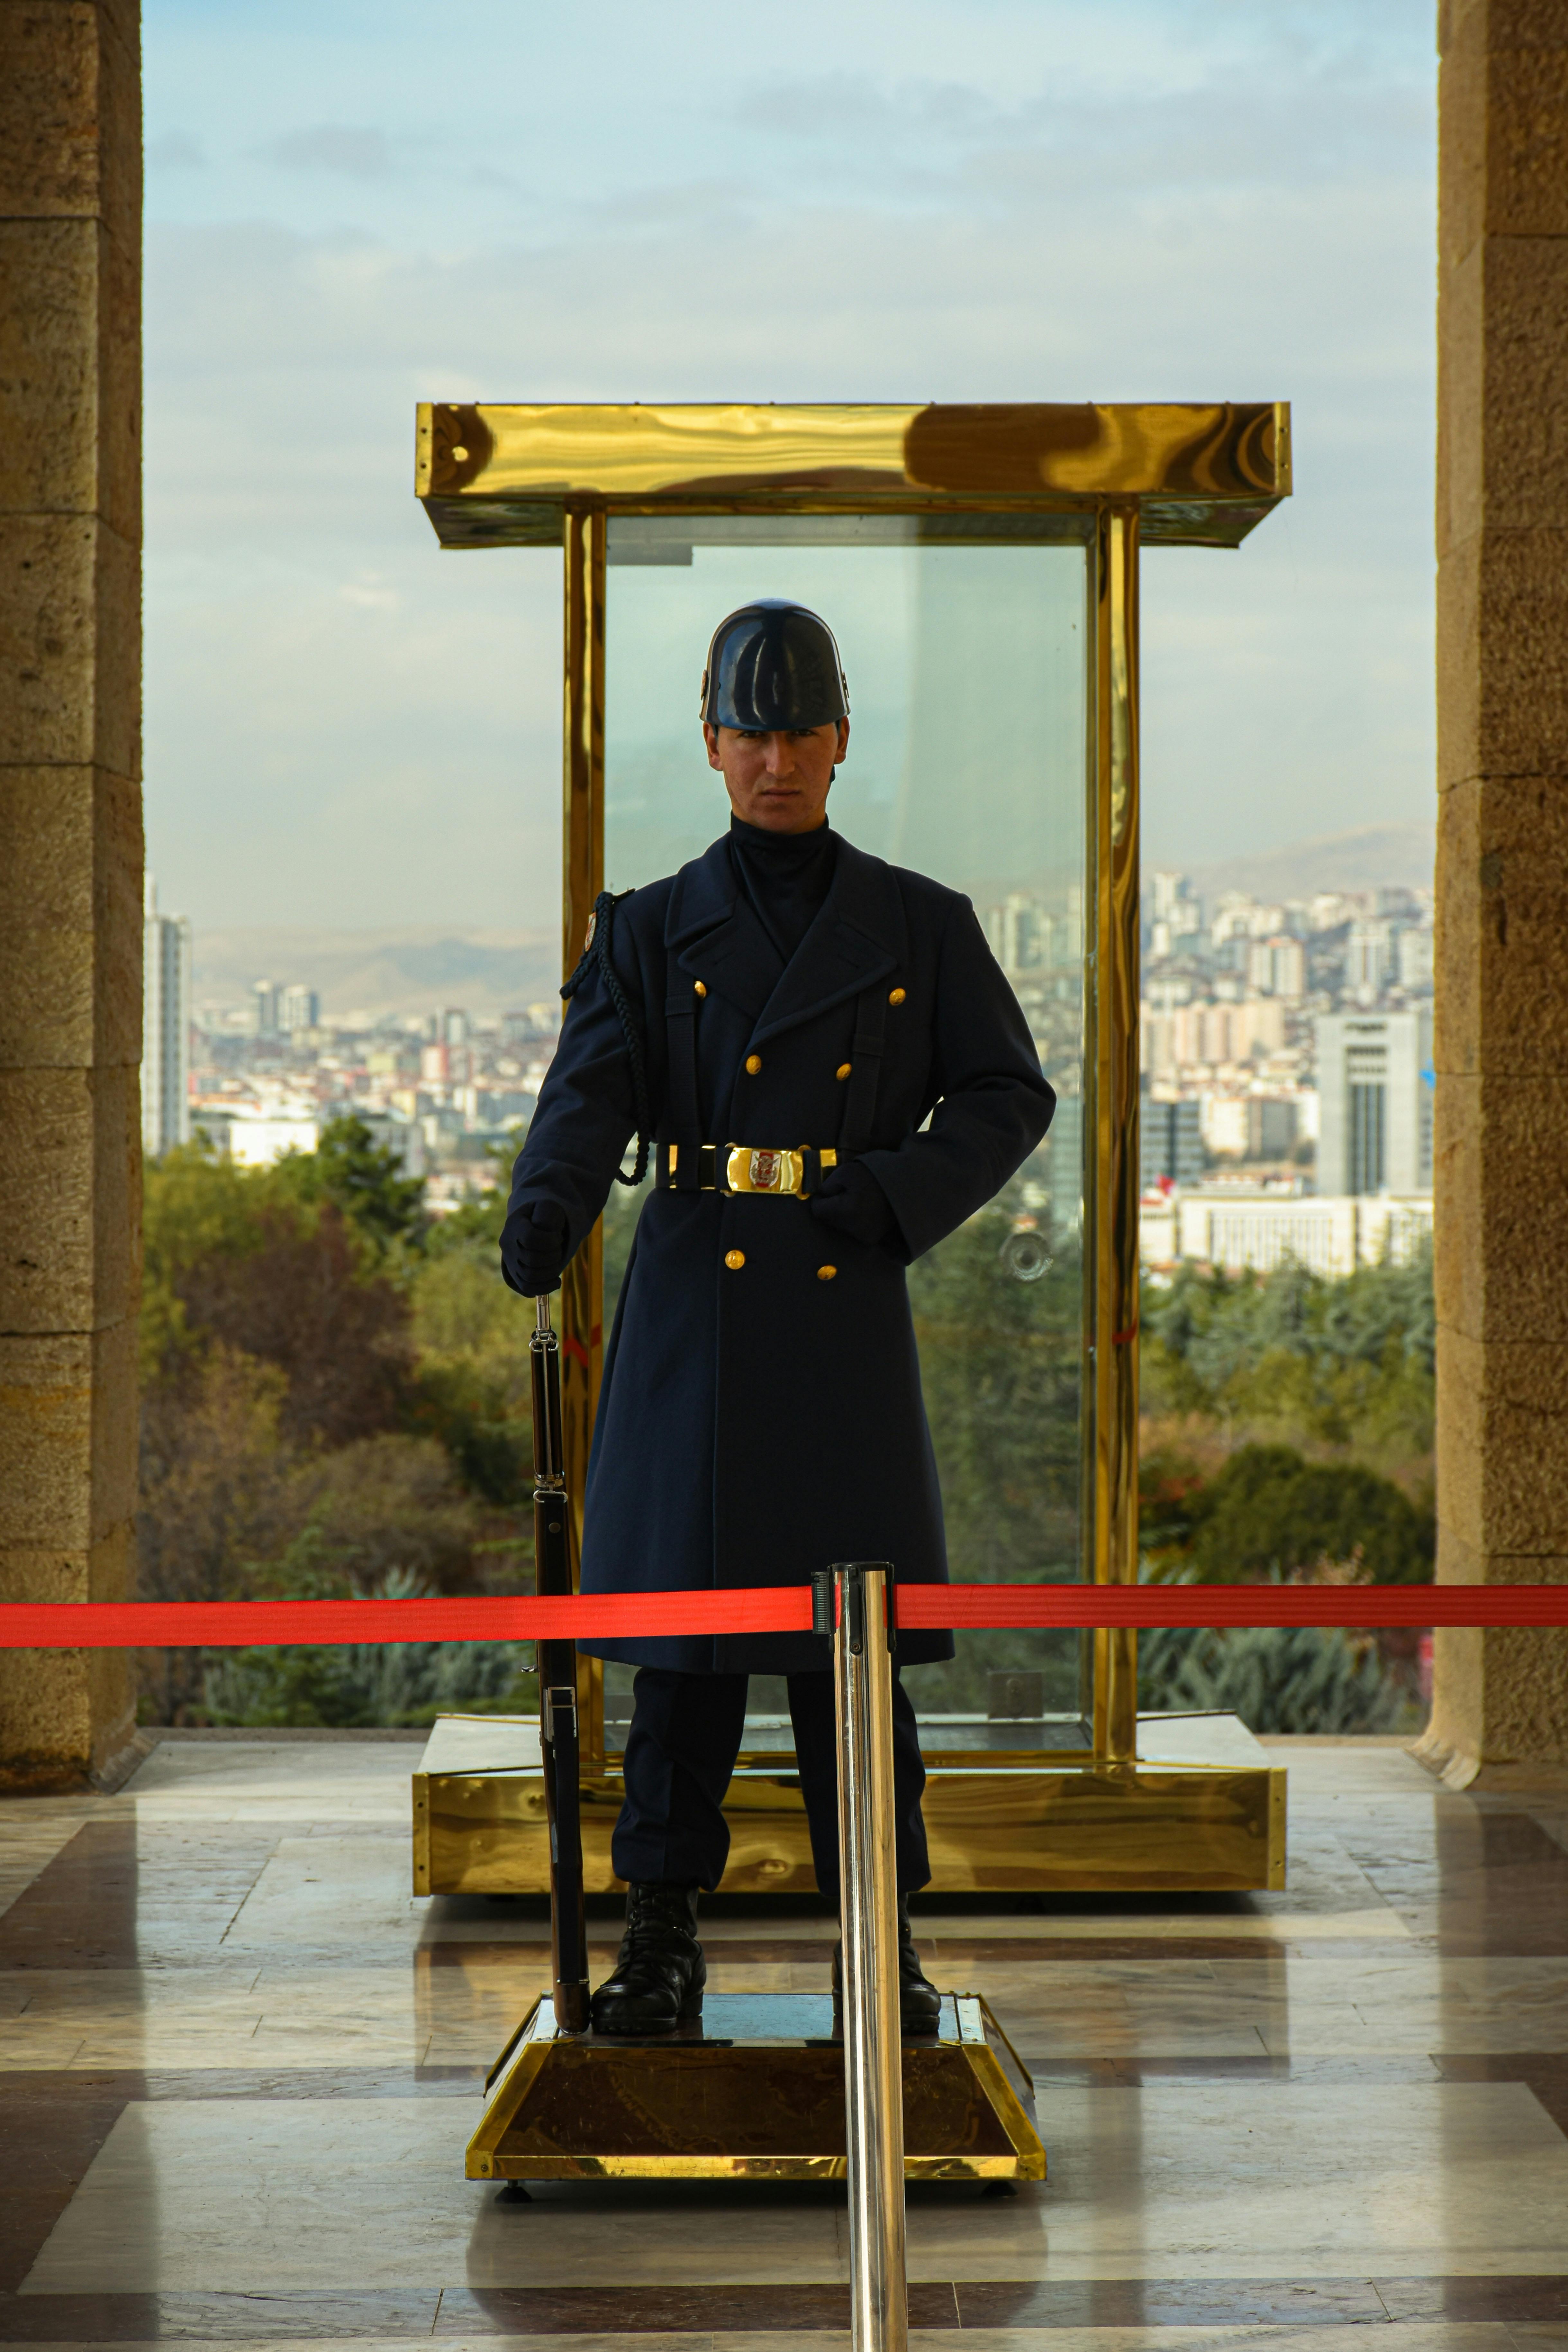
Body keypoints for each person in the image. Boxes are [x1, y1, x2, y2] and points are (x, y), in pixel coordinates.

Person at [501, 599, 1055, 2036]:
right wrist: (548, 1206)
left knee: (848, 1666)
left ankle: (881, 1940)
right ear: (709, 744)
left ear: (840, 742)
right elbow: (588, 1094)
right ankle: (662, 1943)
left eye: (801, 730)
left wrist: (888, 1197)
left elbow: (1006, 1092)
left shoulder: (920, 925)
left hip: (837, 1306)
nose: (775, 759)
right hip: (692, 1306)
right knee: (681, 1663)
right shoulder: (640, 928)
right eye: (749, 731)